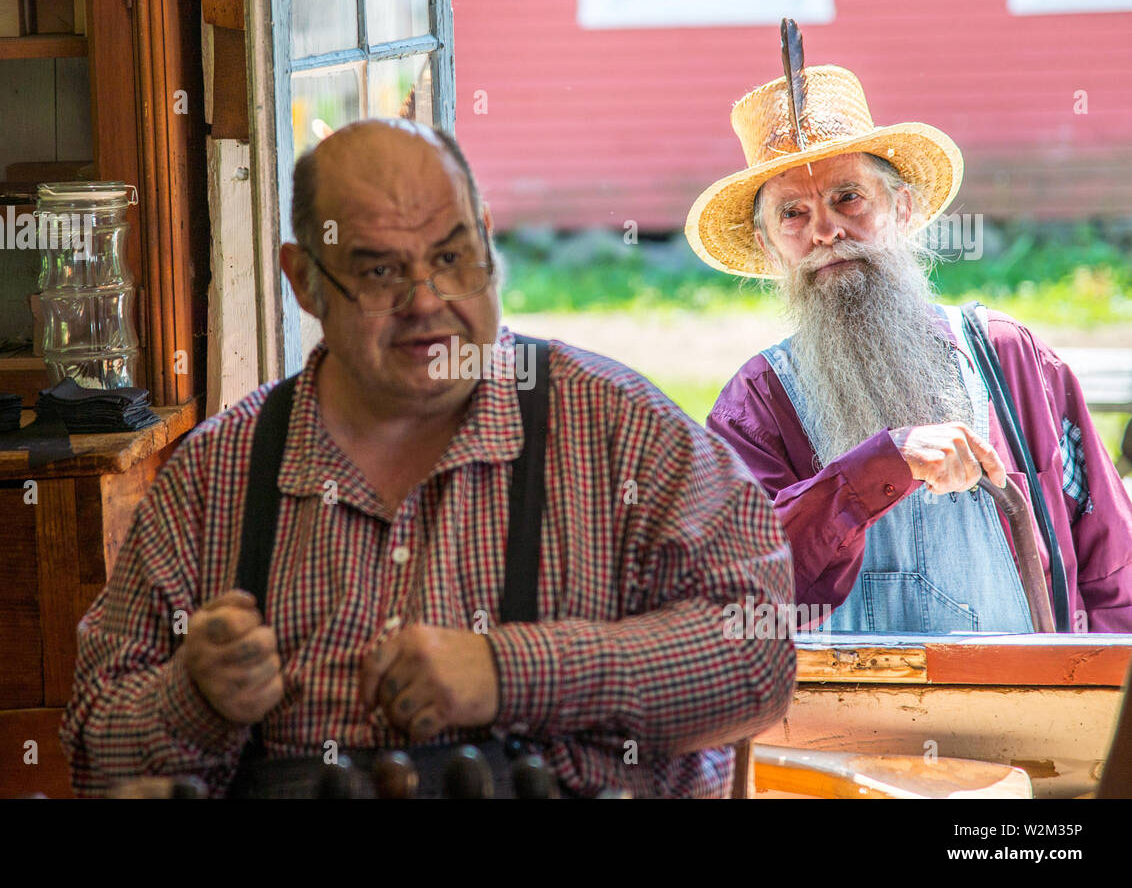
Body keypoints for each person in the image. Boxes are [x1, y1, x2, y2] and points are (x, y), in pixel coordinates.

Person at [61, 118, 796, 798]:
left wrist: (510, 672)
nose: (427, 299)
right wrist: (194, 700)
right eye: (380, 271)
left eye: (452, 257)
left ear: (485, 239)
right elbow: (92, 752)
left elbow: (758, 653)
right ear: (305, 280)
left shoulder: (619, 430)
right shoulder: (215, 476)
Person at [692, 43, 1132, 634]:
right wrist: (873, 469)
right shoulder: (758, 404)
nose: (825, 230)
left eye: (848, 196)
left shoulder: (1008, 359)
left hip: (1031, 714)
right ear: (771, 247)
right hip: (845, 726)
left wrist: (1107, 713)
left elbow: (1112, 570)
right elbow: (738, 595)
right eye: (791, 213)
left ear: (901, 209)